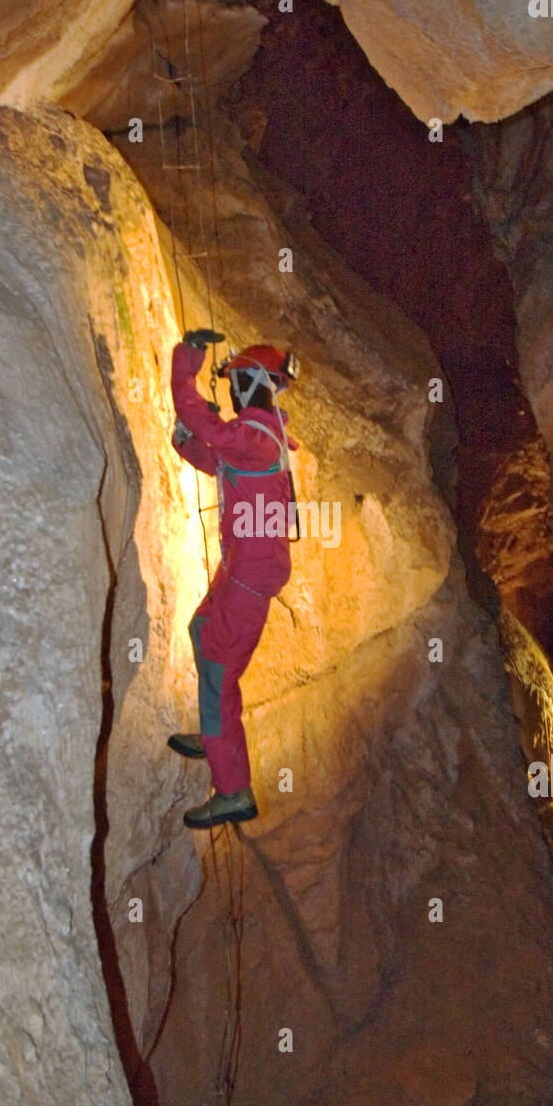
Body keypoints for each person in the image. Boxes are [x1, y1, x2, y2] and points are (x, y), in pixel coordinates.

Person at [169, 329, 300, 829]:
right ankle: (214, 733)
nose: (231, 394)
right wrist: (185, 441)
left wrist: (188, 362)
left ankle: (232, 791)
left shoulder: (256, 440)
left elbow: (203, 422)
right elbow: (214, 458)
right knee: (202, 630)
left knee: (218, 671)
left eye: (234, 385)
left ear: (249, 385)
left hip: (247, 576)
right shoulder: (262, 443)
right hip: (242, 570)